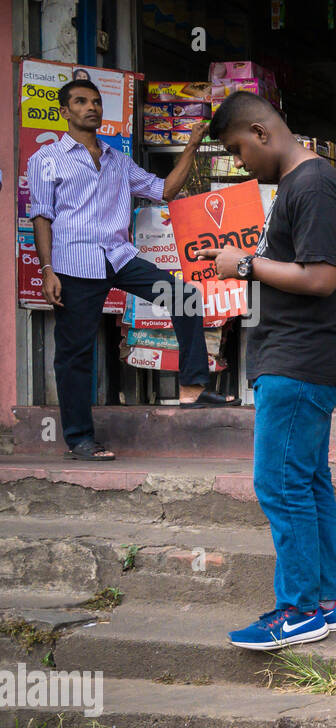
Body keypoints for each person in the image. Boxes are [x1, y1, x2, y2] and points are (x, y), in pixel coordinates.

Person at [199, 91, 336, 650]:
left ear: (261, 132)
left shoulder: (311, 185)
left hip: (301, 360)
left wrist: (244, 264)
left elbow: (321, 278)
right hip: (305, 358)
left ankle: (296, 611)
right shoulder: (301, 185)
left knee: (279, 482)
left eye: (238, 150)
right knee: (308, 481)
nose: (241, 163)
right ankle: (323, 601)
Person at [26, 79, 235, 462]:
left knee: (184, 296)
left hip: (118, 257)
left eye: (95, 101)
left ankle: (191, 386)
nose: (91, 107)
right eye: (80, 101)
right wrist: (47, 269)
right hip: (74, 263)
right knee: (75, 353)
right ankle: (80, 439)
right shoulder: (46, 160)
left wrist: (190, 145)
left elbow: (165, 190)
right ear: (64, 112)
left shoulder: (117, 161)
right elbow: (41, 216)